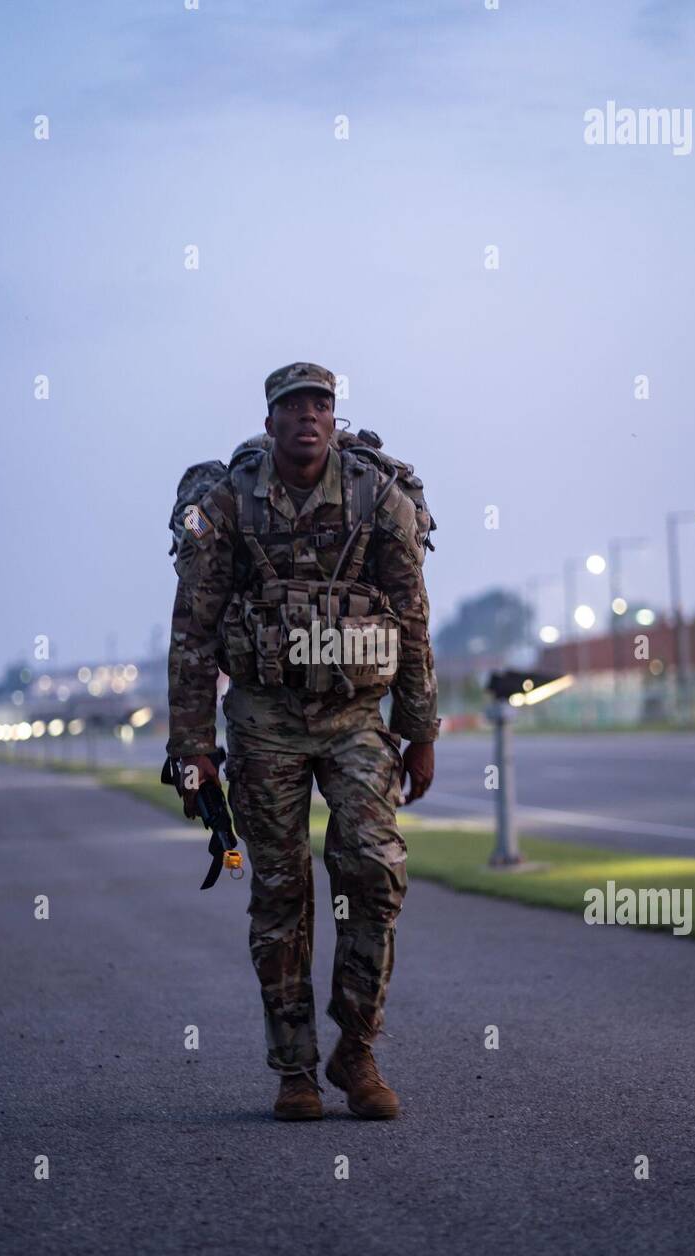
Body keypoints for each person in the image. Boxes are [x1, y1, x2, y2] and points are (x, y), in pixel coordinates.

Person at [166, 362, 439, 1120]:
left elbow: (411, 621)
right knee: (282, 893)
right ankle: (294, 1070)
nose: (309, 417)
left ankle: (357, 1050)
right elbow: (193, 630)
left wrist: (420, 731)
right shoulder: (227, 503)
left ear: (334, 414)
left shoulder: (376, 496)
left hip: (355, 719)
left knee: (375, 872)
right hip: (263, 721)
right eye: (294, 407)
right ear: (271, 419)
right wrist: (193, 747)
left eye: (321, 403)